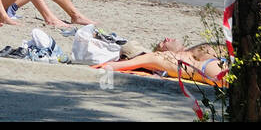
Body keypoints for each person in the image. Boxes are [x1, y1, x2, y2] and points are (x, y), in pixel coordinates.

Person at [95, 39, 229, 85]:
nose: (166, 38)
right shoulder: (159, 57)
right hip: (213, 71)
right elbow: (116, 66)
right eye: (162, 43)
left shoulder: (193, 50)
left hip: (222, 63)